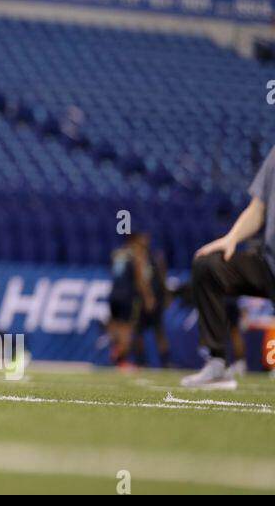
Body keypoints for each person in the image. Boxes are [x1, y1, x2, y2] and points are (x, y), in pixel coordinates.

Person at [182, 145, 275, 388]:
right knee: (207, 265)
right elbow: (258, 208)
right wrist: (231, 238)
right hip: (269, 264)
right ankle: (217, 365)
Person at [106, 231, 170, 368]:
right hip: (127, 295)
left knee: (115, 326)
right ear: (134, 240)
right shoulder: (136, 255)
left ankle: (115, 353)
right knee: (126, 329)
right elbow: (140, 278)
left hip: (113, 293)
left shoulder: (117, 253)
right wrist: (148, 297)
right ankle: (121, 359)